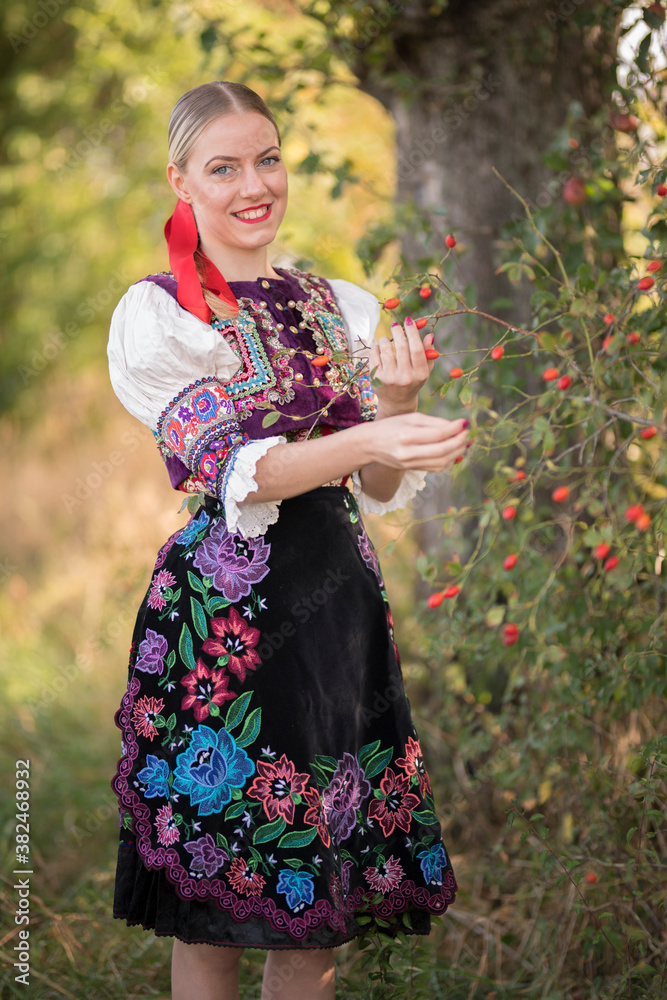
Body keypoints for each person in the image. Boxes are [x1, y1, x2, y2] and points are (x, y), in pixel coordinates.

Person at [107, 80, 465, 1000]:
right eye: (222, 167)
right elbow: (237, 471)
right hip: (228, 622)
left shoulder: (338, 304)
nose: (251, 184)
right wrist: (365, 437)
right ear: (181, 181)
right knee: (219, 907)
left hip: (337, 610)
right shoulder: (161, 315)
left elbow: (378, 488)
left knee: (315, 907)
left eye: (266, 158)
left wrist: (397, 409)